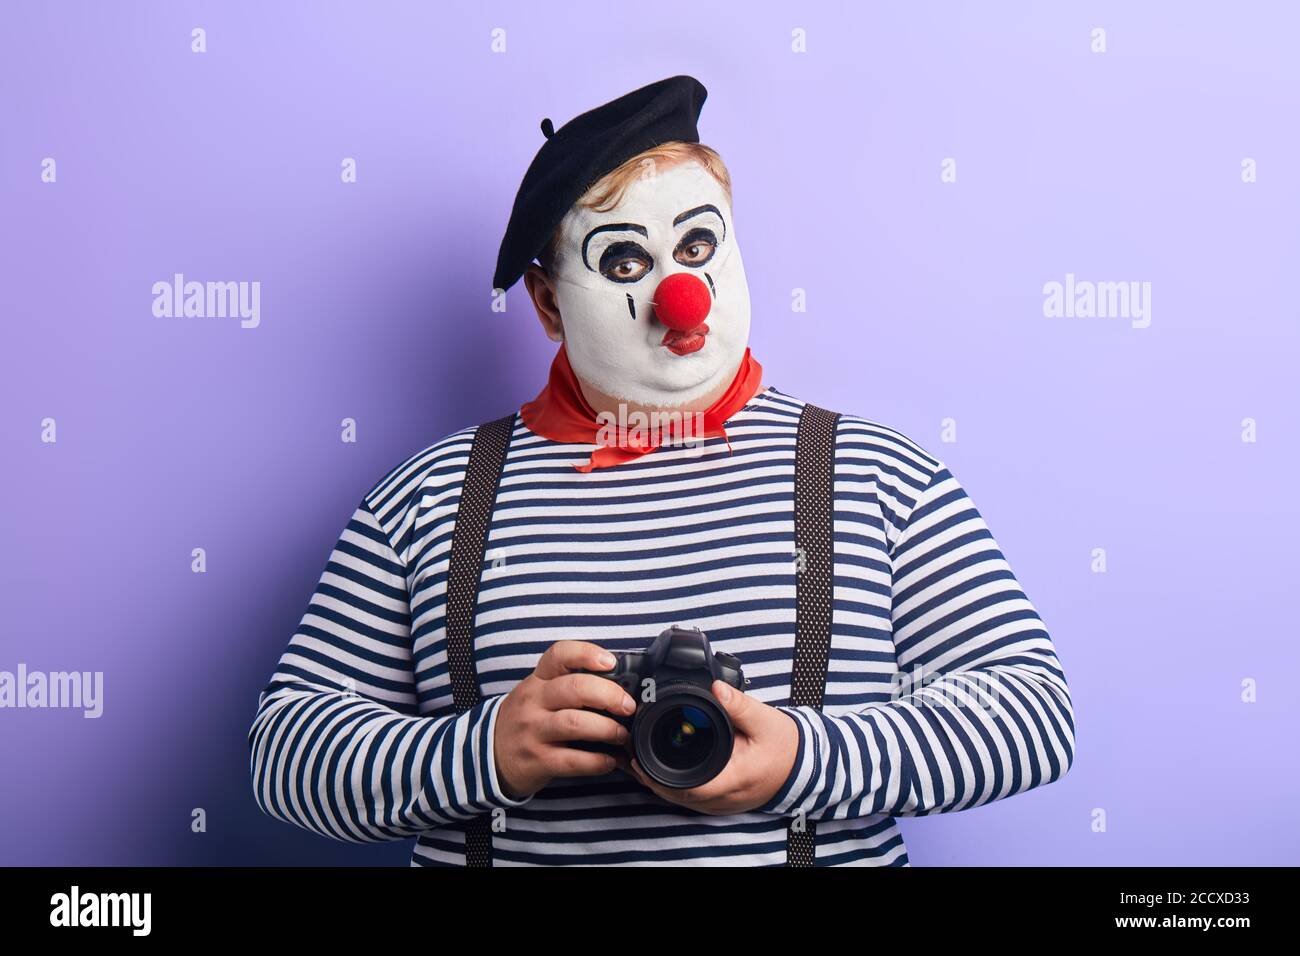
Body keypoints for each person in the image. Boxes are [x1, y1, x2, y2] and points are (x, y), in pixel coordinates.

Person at [248, 75, 1074, 866]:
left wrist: (803, 758)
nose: (684, 297)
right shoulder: (427, 500)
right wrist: (487, 748)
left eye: (698, 244)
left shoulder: (880, 478)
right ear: (546, 305)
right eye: (624, 264)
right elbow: (286, 754)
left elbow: (1032, 714)